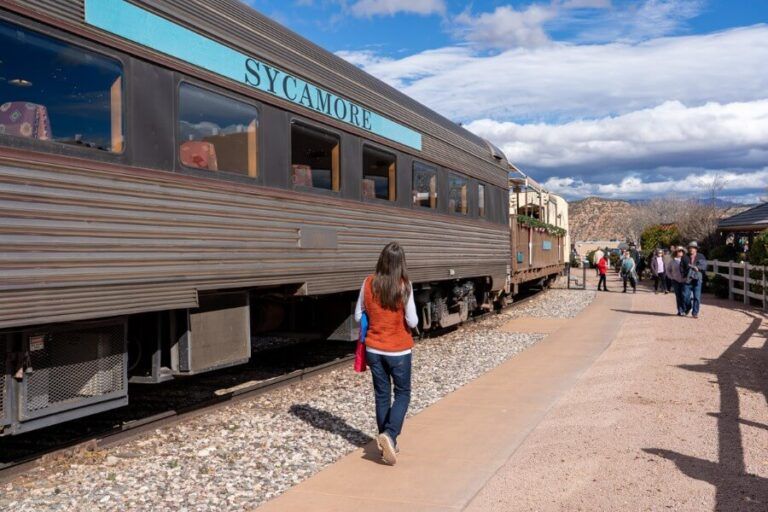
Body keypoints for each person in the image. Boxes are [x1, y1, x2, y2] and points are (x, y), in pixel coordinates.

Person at [354, 242, 418, 465]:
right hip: (399, 350)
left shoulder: (368, 282)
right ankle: (390, 435)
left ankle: (386, 446)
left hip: (373, 349)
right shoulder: (404, 285)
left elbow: (357, 315)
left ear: (381, 260)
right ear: (401, 263)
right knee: (403, 393)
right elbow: (413, 320)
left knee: (382, 394)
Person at [681, 241, 707, 319]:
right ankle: (688, 307)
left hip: (697, 279)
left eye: (693, 248)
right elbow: (681, 267)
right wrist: (684, 275)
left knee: (697, 297)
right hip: (687, 279)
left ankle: (695, 313)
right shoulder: (685, 257)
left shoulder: (701, 256)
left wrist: (698, 268)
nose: (691, 249)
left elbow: (704, 266)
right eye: (690, 248)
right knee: (685, 296)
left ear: (696, 249)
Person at [668, 248, 686, 315]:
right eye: (679, 251)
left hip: (684, 280)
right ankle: (680, 310)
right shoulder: (672, 261)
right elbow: (668, 270)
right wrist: (671, 277)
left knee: (684, 295)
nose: (680, 253)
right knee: (678, 296)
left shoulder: (686, 260)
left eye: (681, 251)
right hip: (675, 280)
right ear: (676, 253)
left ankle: (685, 309)